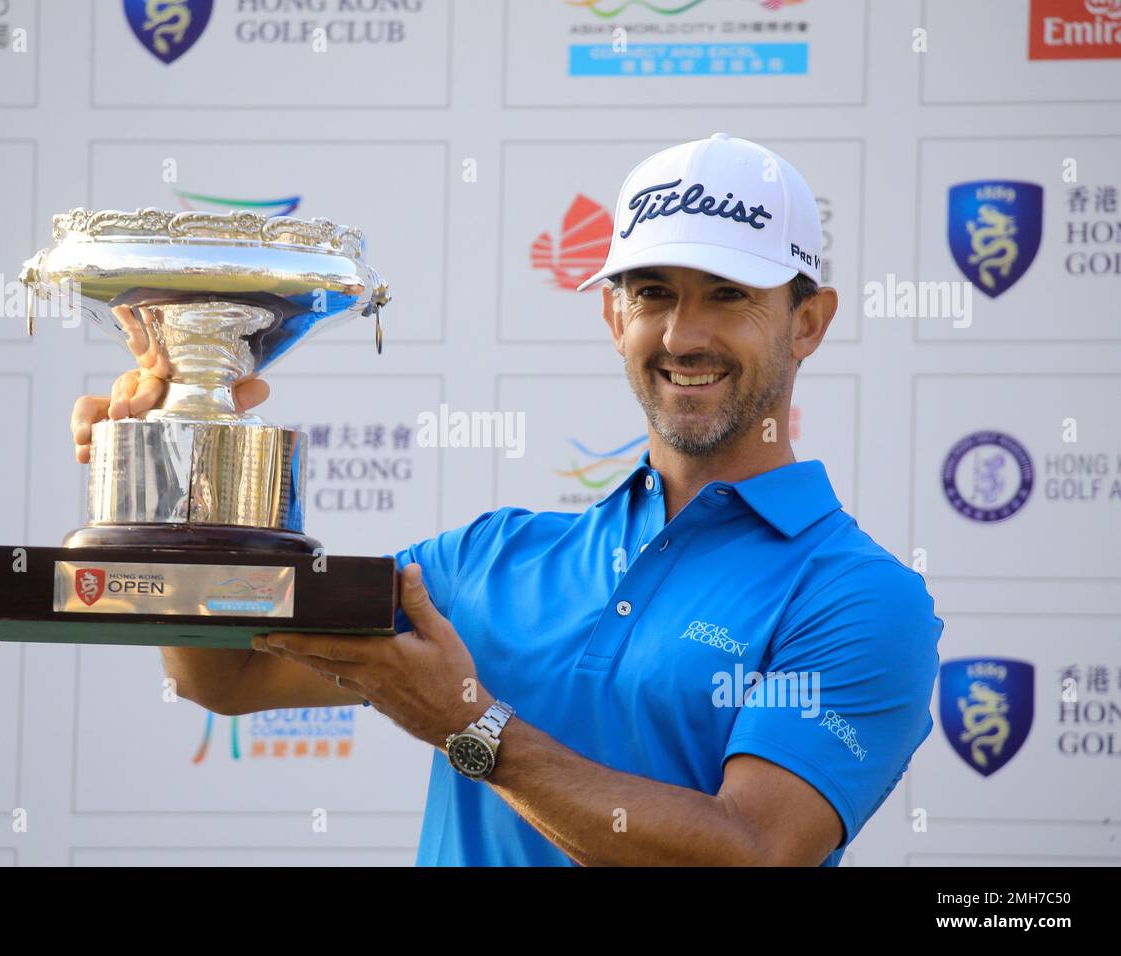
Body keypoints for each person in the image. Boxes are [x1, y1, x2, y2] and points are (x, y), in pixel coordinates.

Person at [69, 133, 942, 866]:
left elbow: (753, 848)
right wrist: (177, 476)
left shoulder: (861, 598)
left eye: (729, 296)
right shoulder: (492, 557)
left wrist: (471, 727)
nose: (684, 333)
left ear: (808, 322)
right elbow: (226, 674)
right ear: (614, 319)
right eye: (653, 294)